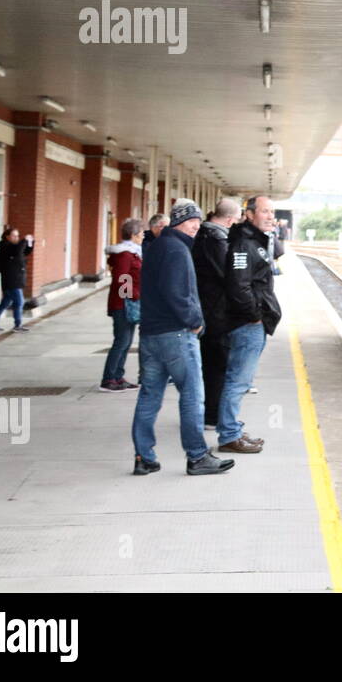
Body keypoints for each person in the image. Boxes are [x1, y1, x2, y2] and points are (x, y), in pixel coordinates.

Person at [130, 199, 234, 477]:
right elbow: (177, 294)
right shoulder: (176, 250)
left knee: (150, 395)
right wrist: (196, 322)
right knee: (192, 395)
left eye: (199, 222)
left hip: (151, 334)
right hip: (175, 334)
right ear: (178, 222)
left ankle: (144, 457)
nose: (196, 227)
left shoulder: (157, 246)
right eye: (191, 222)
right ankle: (198, 456)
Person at [217, 195, 282, 454]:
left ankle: (232, 429)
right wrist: (255, 314)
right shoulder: (244, 244)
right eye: (264, 211)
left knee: (239, 381)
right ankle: (229, 436)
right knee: (237, 381)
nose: (269, 216)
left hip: (253, 322)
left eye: (272, 212)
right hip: (247, 323)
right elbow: (238, 285)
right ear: (250, 214)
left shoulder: (255, 240)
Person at [192, 198, 241, 429]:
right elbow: (228, 275)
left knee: (207, 365)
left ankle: (205, 412)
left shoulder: (200, 235)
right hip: (215, 312)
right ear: (231, 219)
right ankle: (212, 415)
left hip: (202, 309)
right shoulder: (216, 239)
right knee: (218, 365)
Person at [101, 218, 144, 392]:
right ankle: (109, 378)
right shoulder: (125, 255)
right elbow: (122, 278)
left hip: (127, 302)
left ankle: (118, 376)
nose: (142, 237)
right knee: (121, 341)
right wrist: (134, 296)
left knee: (125, 342)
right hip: (123, 304)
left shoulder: (132, 252)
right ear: (133, 235)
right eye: (141, 234)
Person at [0, 227, 34, 333]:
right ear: (7, 237)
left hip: (16, 279)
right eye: (14, 235)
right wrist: (23, 240)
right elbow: (17, 251)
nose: (16, 237)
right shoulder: (5, 246)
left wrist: (30, 242)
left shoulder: (14, 246)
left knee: (5, 303)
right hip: (11, 280)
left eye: (18, 236)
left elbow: (25, 251)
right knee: (19, 302)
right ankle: (17, 325)